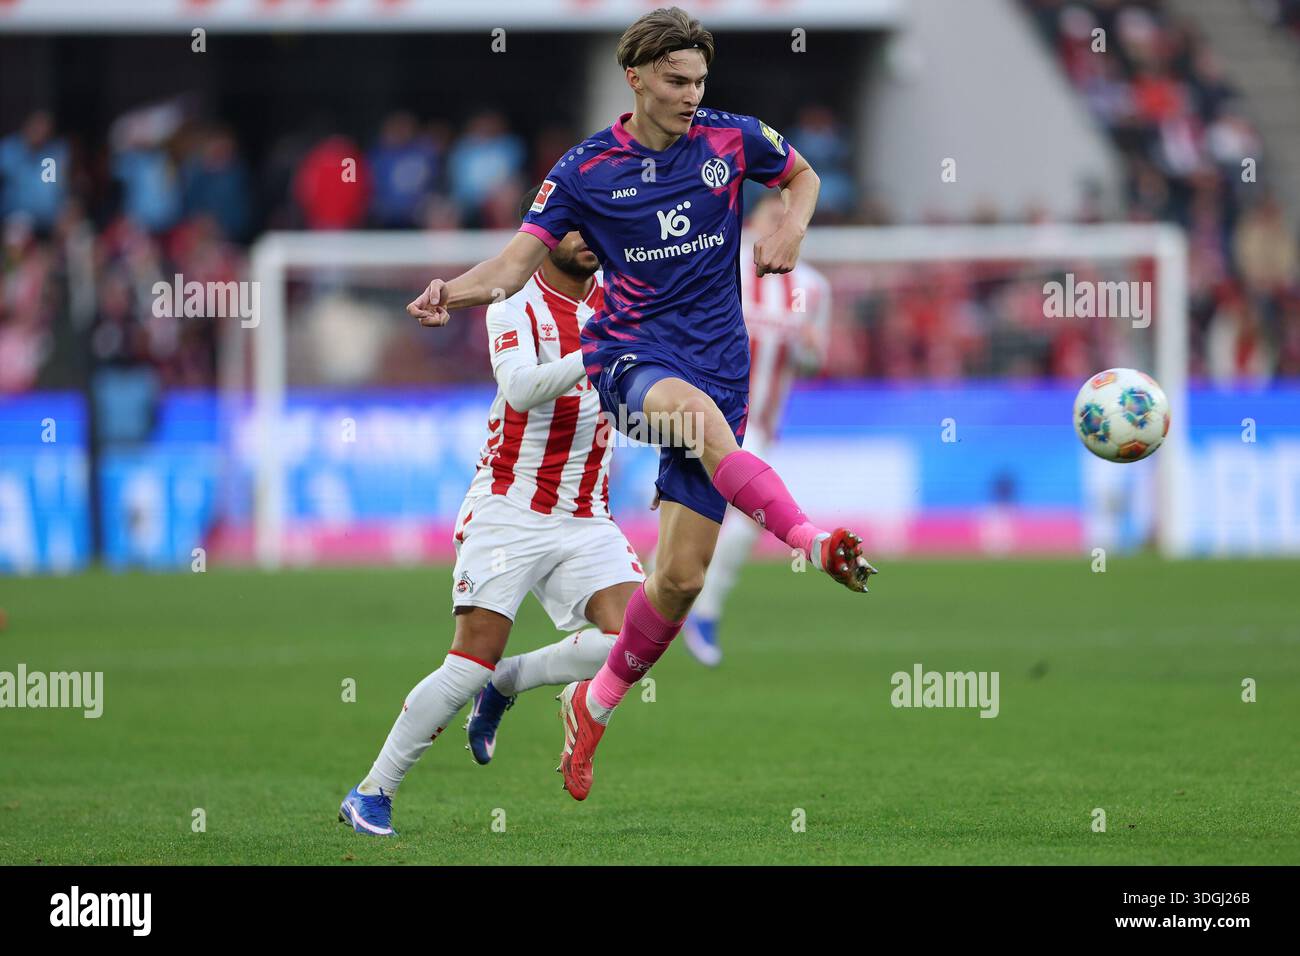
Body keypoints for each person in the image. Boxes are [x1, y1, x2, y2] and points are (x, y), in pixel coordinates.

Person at [406, 6, 878, 804]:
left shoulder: (733, 139)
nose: (692, 94)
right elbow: (515, 266)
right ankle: (811, 537)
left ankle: (590, 707)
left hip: (722, 367)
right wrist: (449, 293)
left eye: (699, 79)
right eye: (675, 79)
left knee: (681, 581)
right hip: (630, 359)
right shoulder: (586, 171)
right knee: (695, 422)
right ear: (636, 78)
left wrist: (793, 224)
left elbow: (803, 175)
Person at [339, 189, 642, 836]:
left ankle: (510, 682)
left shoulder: (618, 299)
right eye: (578, 226)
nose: (592, 237)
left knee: (637, 638)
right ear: (549, 233)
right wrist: (599, 350)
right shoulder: (515, 301)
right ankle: (372, 791)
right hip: (510, 507)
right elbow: (522, 388)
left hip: (585, 512)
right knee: (466, 661)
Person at [679, 191, 832, 666]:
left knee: (747, 520)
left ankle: (703, 612)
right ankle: (648, 612)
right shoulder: (722, 264)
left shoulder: (812, 287)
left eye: (790, 217)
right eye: (773, 213)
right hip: (703, 415)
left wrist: (808, 349)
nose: (781, 223)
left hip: (759, 427)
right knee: (687, 522)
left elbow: (813, 361)